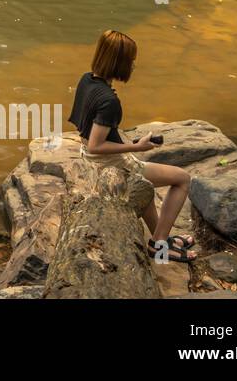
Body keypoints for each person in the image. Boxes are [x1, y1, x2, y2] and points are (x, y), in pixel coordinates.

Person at [68, 30, 197, 263]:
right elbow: (97, 145)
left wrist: (128, 143)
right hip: (111, 167)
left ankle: (160, 237)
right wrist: (137, 148)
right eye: (131, 61)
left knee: (144, 185)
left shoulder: (87, 79)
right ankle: (159, 247)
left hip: (90, 160)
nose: (134, 65)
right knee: (182, 179)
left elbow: (89, 134)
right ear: (119, 62)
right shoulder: (109, 101)